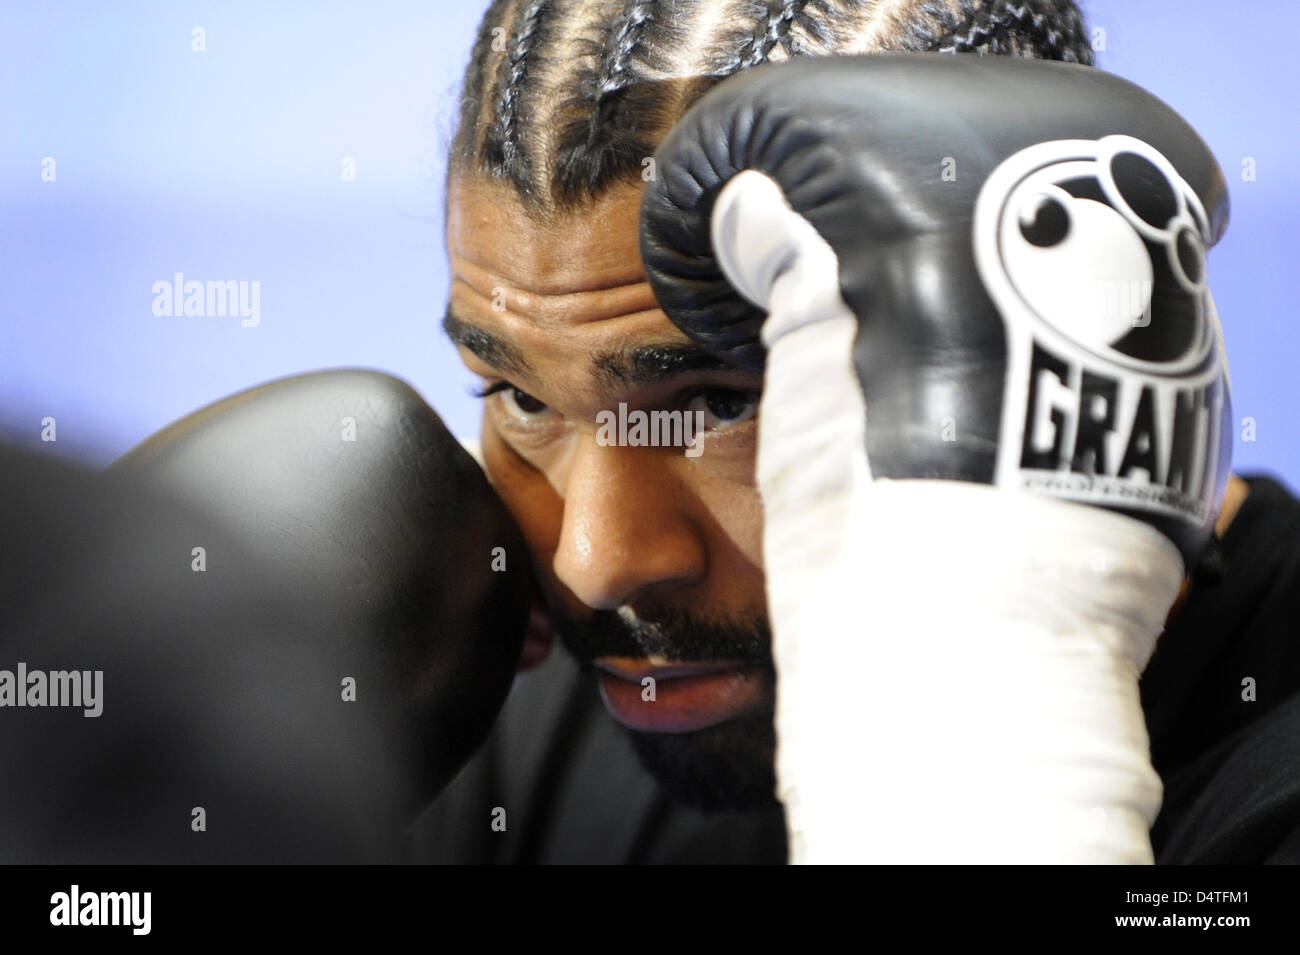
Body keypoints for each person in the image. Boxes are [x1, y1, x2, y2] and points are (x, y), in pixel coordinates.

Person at [412, 0, 1300, 863]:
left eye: (724, 402)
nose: (595, 563)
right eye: (519, 397)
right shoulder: (533, 726)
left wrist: (1007, 774)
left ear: (1044, 340)